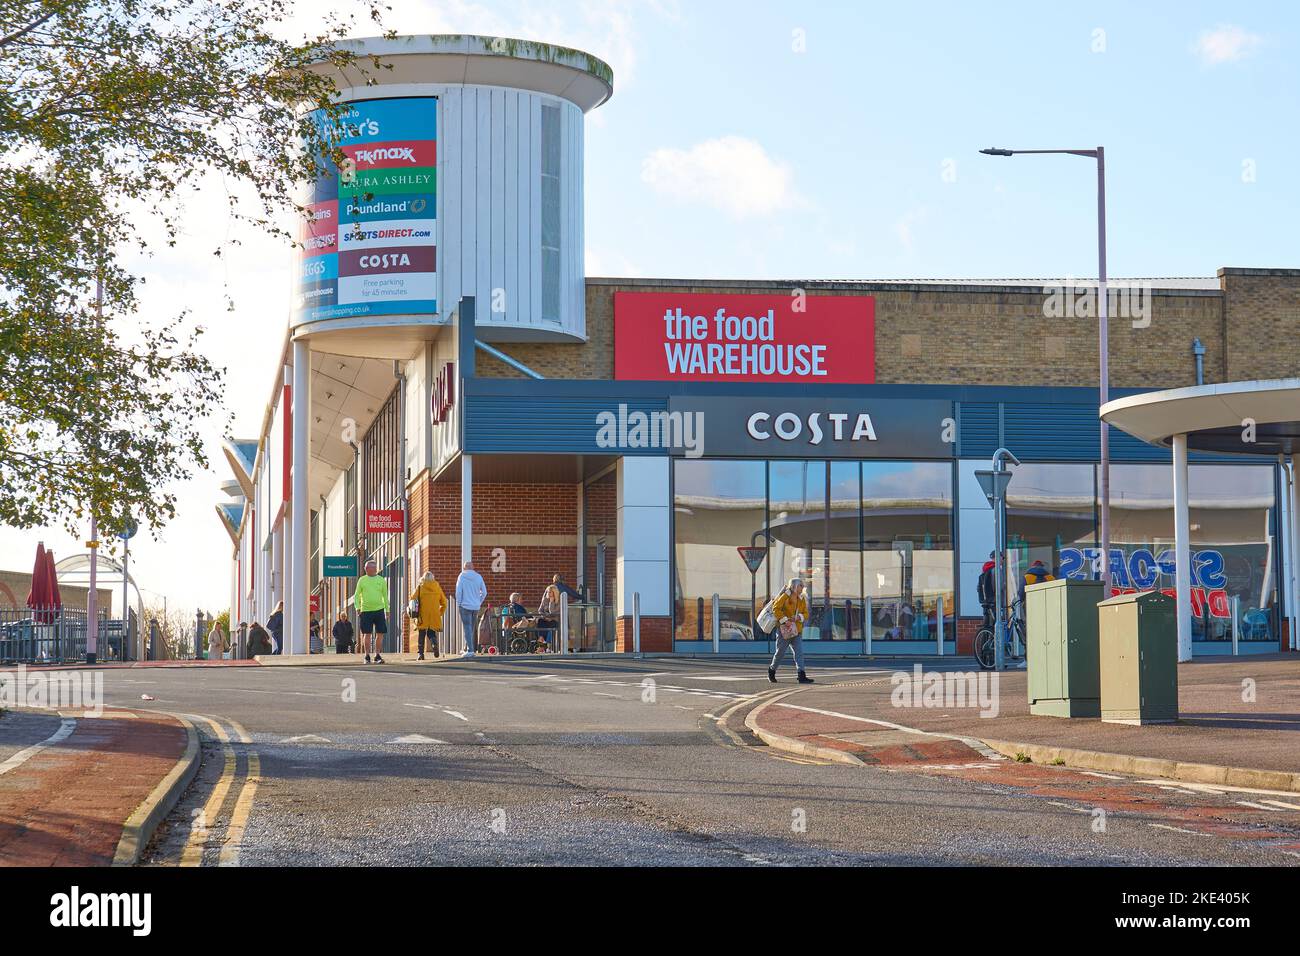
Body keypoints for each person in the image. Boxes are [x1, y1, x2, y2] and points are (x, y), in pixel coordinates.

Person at [767, 577, 813, 684]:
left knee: (799, 653)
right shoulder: (784, 597)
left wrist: (799, 617)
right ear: (793, 586)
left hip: (796, 630)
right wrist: (785, 620)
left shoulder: (801, 599)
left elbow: (806, 614)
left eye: (802, 586)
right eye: (800, 585)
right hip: (784, 630)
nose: (802, 588)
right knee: (780, 653)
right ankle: (772, 670)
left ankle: (801, 675)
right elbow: (775, 608)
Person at [355, 559, 390, 664]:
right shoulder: (362, 580)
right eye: (365, 568)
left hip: (379, 610)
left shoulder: (381, 580)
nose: (365, 569)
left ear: (374, 569)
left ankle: (377, 655)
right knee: (367, 633)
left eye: (367, 568)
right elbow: (357, 595)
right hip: (365, 610)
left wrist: (387, 610)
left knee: (380, 633)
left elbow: (385, 595)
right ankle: (366, 656)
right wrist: (358, 607)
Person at [411, 571, 448, 661]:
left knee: (421, 633)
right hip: (434, 614)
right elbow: (444, 603)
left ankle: (420, 654)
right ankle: (434, 644)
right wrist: (440, 613)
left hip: (422, 614)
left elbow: (412, 598)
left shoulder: (420, 587)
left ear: (423, 578)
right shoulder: (437, 587)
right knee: (431, 633)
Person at [455, 560, 487, 658]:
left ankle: (470, 650)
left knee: (467, 628)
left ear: (464, 568)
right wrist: (479, 602)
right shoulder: (478, 576)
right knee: (471, 628)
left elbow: (458, 592)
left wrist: (459, 603)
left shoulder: (462, 576)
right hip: (475, 606)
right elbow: (484, 592)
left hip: (465, 605)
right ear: (473, 567)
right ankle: (467, 647)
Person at [537, 579, 562, 652]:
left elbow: (553, 612)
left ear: (555, 592)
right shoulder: (545, 600)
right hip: (545, 619)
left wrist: (551, 602)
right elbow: (540, 610)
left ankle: (548, 645)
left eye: (550, 592)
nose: (549, 593)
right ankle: (541, 642)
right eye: (548, 592)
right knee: (540, 621)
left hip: (555, 620)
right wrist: (545, 617)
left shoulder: (559, 601)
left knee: (552, 625)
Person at [977, 552, 997, 629]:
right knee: (993, 623)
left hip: (985, 601)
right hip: (993, 600)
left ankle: (985, 640)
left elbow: (979, 587)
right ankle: (991, 639)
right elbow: (996, 586)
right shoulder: (995, 570)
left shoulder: (984, 571)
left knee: (986, 624)